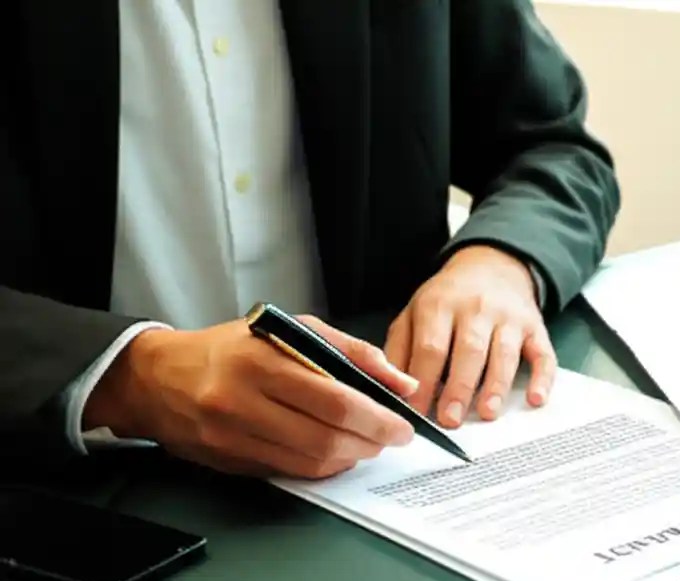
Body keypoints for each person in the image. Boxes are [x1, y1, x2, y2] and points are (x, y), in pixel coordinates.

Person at [0, 1, 620, 479]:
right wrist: (128, 379)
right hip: (65, 496)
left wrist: (498, 263)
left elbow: (553, 146)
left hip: (385, 478)